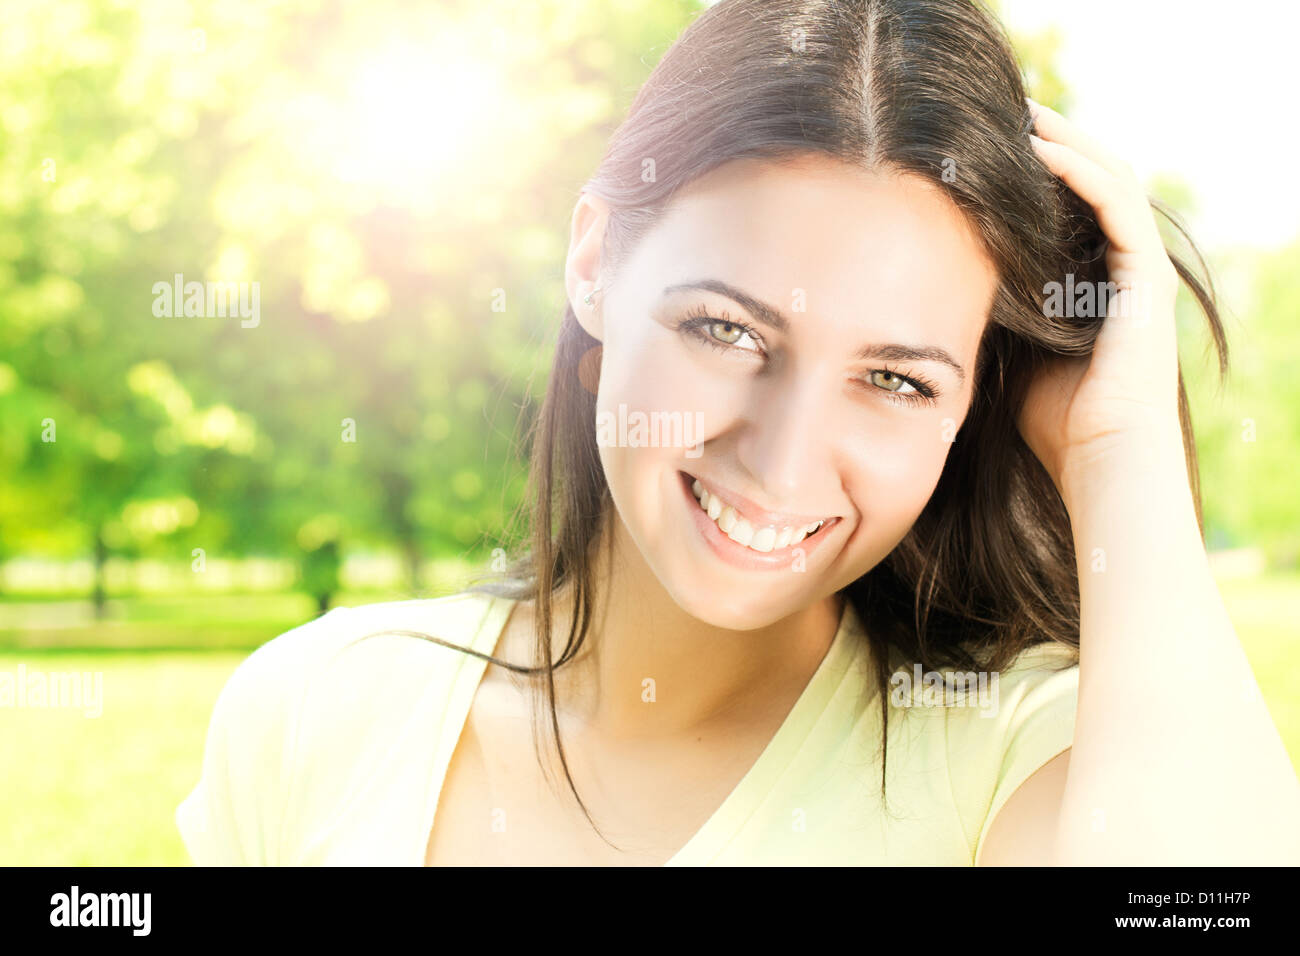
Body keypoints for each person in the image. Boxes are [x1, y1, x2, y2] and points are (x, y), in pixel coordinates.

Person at [176, 0, 1300, 866]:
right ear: (593, 263)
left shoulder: (1015, 756)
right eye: (724, 326)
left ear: (977, 402)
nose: (783, 456)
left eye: (897, 380)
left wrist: (1121, 447)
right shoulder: (319, 702)